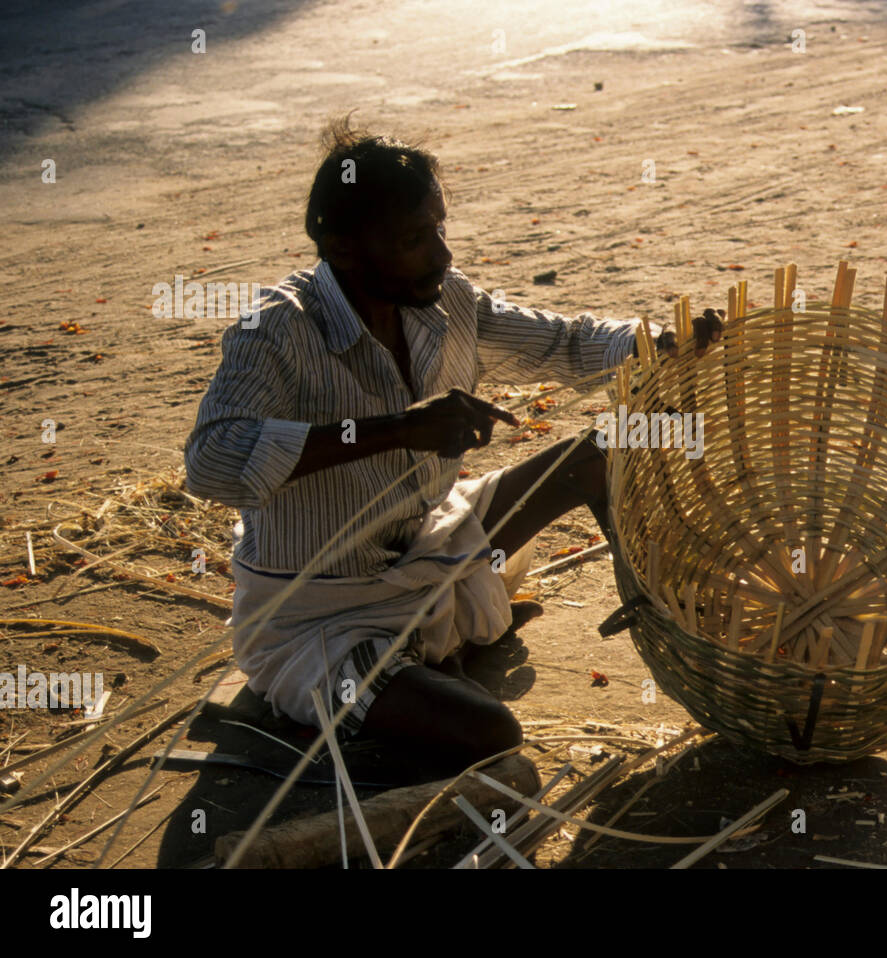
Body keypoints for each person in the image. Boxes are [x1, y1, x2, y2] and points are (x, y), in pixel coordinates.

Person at [184, 117, 723, 770]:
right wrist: (397, 431)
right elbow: (212, 461)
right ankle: (372, 690)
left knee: (607, 448)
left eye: (439, 229)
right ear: (346, 250)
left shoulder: (445, 302)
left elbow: (562, 341)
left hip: (431, 543)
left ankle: (665, 620)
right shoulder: (276, 328)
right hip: (319, 619)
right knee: (486, 734)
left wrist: (654, 345)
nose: (440, 254)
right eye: (415, 239)